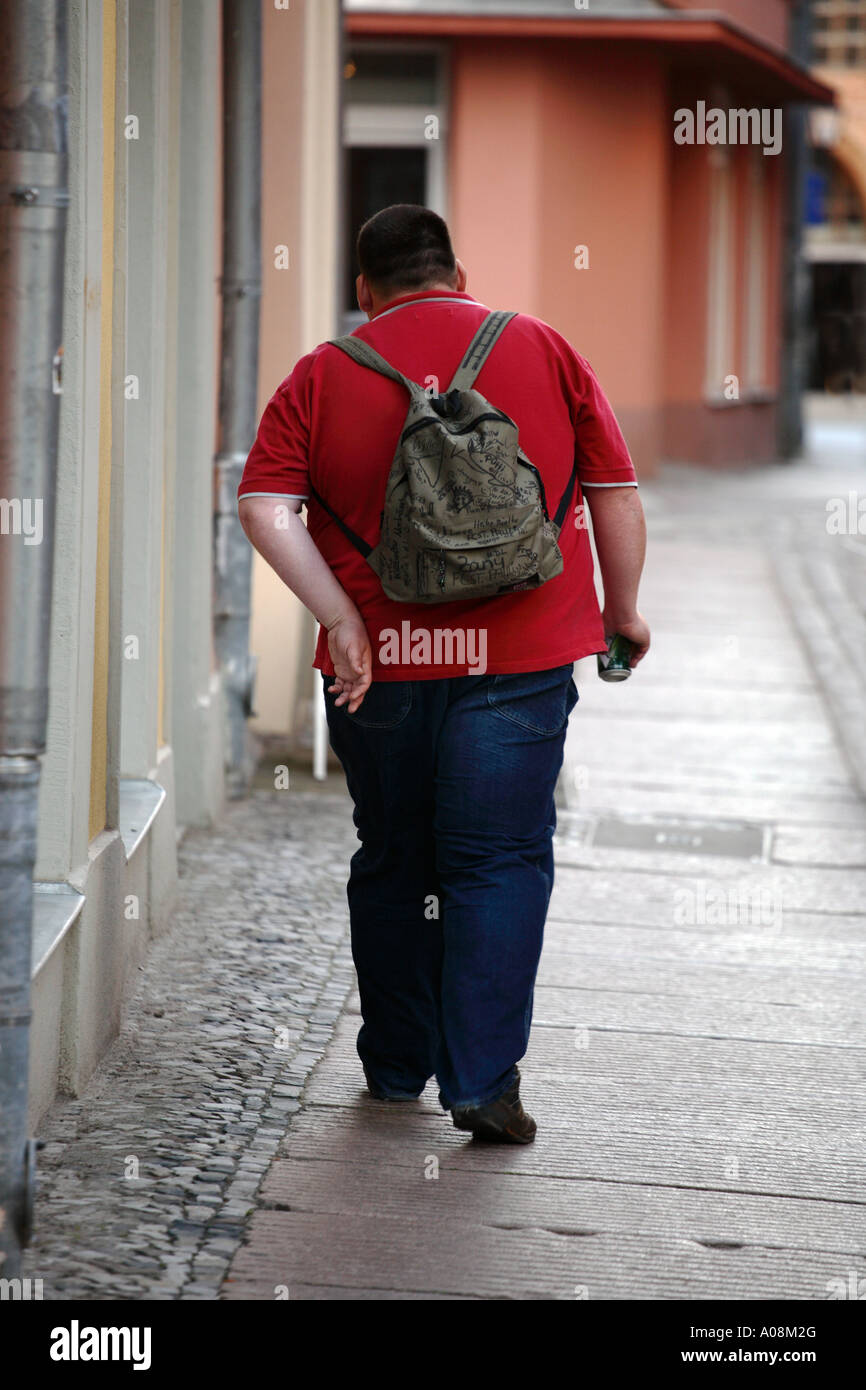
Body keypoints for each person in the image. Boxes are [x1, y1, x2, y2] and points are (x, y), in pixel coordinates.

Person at [238, 204, 649, 1143]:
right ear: (459, 277)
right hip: (521, 658)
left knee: (393, 858)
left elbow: (264, 505)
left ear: (362, 292)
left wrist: (340, 617)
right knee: (498, 861)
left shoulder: (323, 372)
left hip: (378, 668)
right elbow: (613, 491)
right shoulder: (543, 346)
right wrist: (622, 613)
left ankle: (394, 1067)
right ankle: (482, 1082)